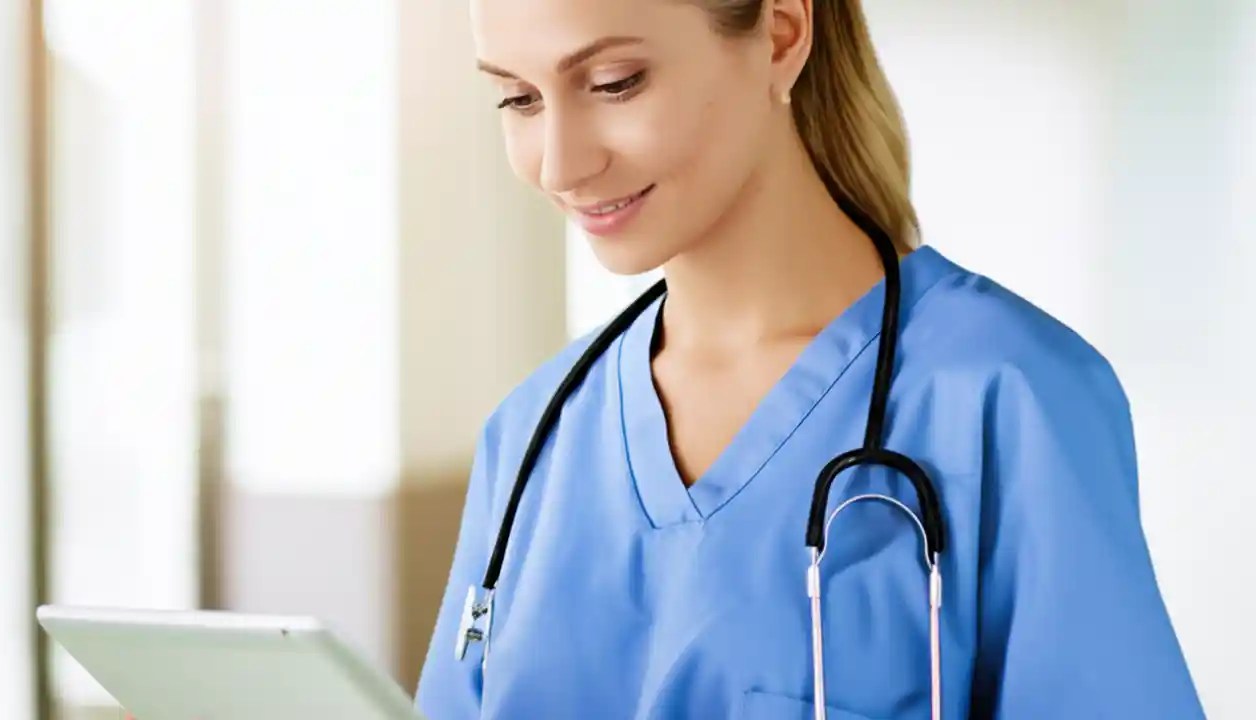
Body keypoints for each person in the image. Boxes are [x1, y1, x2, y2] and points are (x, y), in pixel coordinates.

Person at [416, 0, 1205, 717]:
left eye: (616, 83)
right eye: (518, 98)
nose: (560, 165)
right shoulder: (531, 436)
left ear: (783, 35)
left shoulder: (1009, 397)